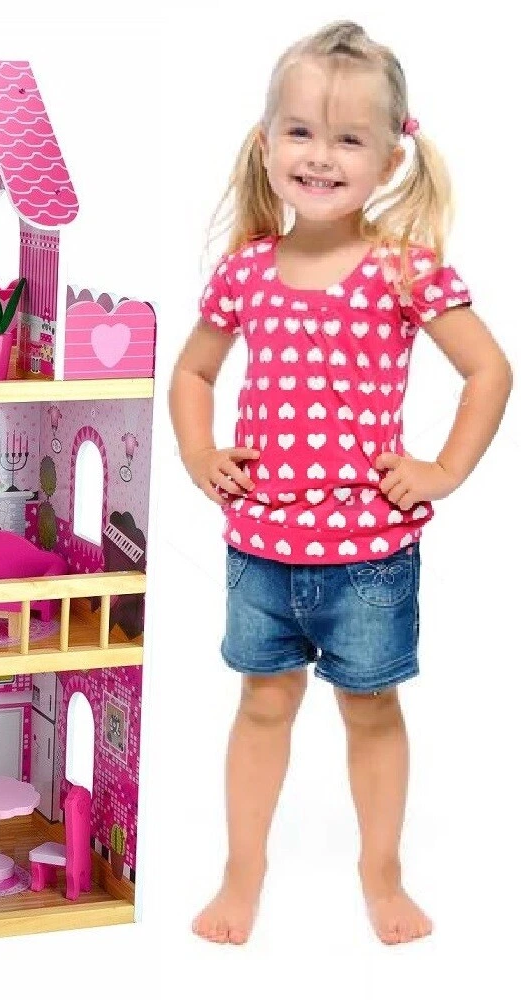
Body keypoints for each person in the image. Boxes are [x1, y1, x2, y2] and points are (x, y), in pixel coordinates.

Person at [169, 20, 512, 946]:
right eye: (301, 132)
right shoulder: (245, 270)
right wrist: (201, 455)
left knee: (371, 710)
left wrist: (444, 468)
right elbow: (193, 372)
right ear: (266, 140)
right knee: (261, 704)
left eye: (349, 138)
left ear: (391, 157)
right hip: (260, 550)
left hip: (369, 558)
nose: (320, 156)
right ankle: (241, 875)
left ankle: (381, 874)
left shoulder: (403, 268)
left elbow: (489, 369)